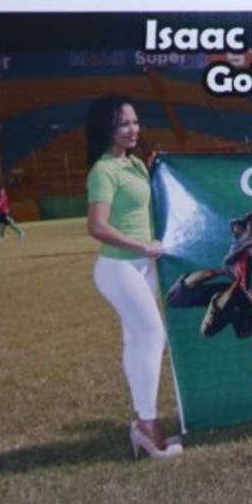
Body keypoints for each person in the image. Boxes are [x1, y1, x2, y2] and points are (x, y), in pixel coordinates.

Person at [85, 95, 181, 459]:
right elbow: (97, 226)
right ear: (107, 129)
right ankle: (148, 425)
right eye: (124, 123)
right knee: (153, 334)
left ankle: (143, 422)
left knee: (136, 341)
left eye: (136, 122)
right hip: (119, 267)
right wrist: (141, 245)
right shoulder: (103, 170)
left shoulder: (137, 165)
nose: (133, 129)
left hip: (142, 266)